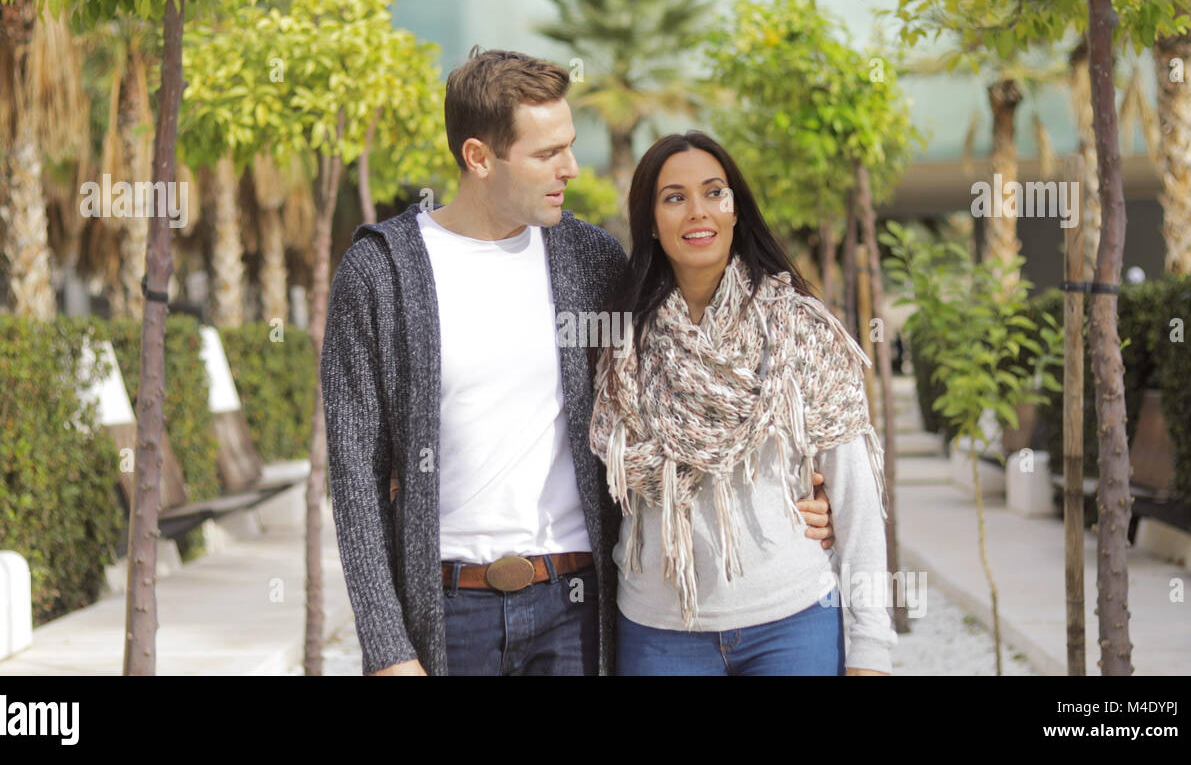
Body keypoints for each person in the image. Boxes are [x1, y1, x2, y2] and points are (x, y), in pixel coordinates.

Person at [320, 49, 837, 676]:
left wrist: (803, 490)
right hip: (449, 611)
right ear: (479, 158)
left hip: (576, 607)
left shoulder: (590, 260)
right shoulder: (380, 272)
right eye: (546, 154)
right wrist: (386, 649)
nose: (570, 167)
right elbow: (355, 473)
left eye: (569, 144)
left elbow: (683, 399)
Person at [589, 131, 897, 676]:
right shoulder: (621, 341)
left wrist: (870, 649)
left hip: (793, 622)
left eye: (714, 192)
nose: (698, 211)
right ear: (652, 223)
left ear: (736, 212)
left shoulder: (798, 327)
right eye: (674, 197)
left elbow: (854, 495)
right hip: (660, 633)